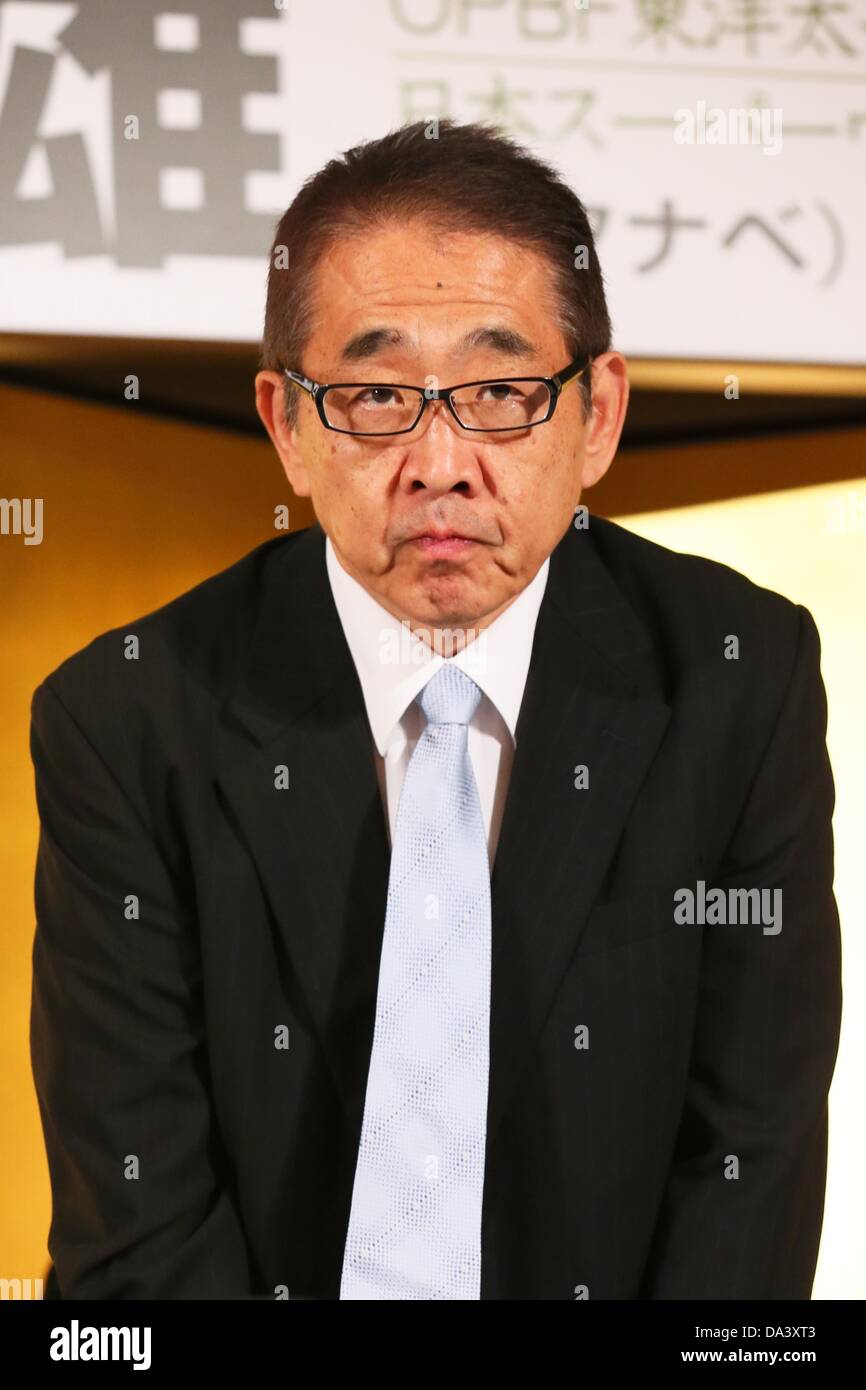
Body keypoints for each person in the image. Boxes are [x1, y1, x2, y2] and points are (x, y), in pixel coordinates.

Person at [30, 119, 842, 1300]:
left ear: (598, 416)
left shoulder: (733, 675)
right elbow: (137, 1218)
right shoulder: (129, 715)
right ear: (286, 425)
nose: (440, 461)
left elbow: (747, 1162)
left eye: (502, 391)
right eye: (371, 396)